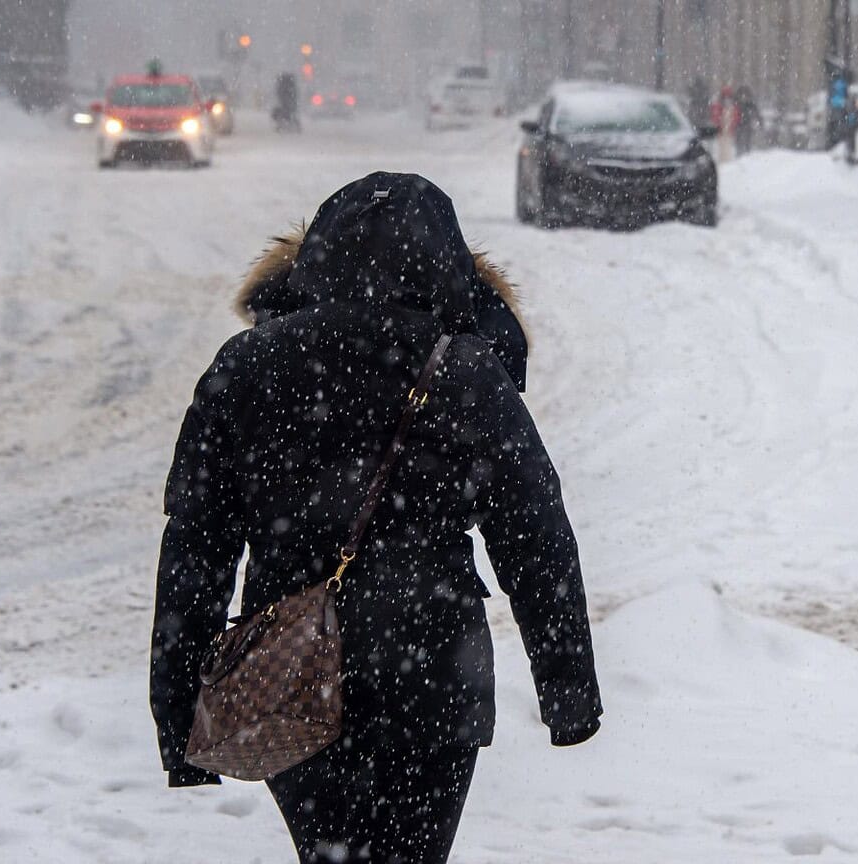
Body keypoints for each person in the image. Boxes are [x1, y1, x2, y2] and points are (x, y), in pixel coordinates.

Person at [150, 172, 603, 864]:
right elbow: (536, 538)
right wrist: (568, 690)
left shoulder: (246, 368)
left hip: (292, 670)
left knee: (329, 854)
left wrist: (180, 708)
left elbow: (196, 550)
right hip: (434, 672)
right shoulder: (466, 372)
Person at [734, 85, 760, 155]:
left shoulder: (750, 103)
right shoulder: (737, 103)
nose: (743, 96)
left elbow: (756, 112)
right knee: (739, 139)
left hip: (746, 123)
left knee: (747, 138)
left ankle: (747, 151)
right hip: (739, 123)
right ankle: (740, 152)